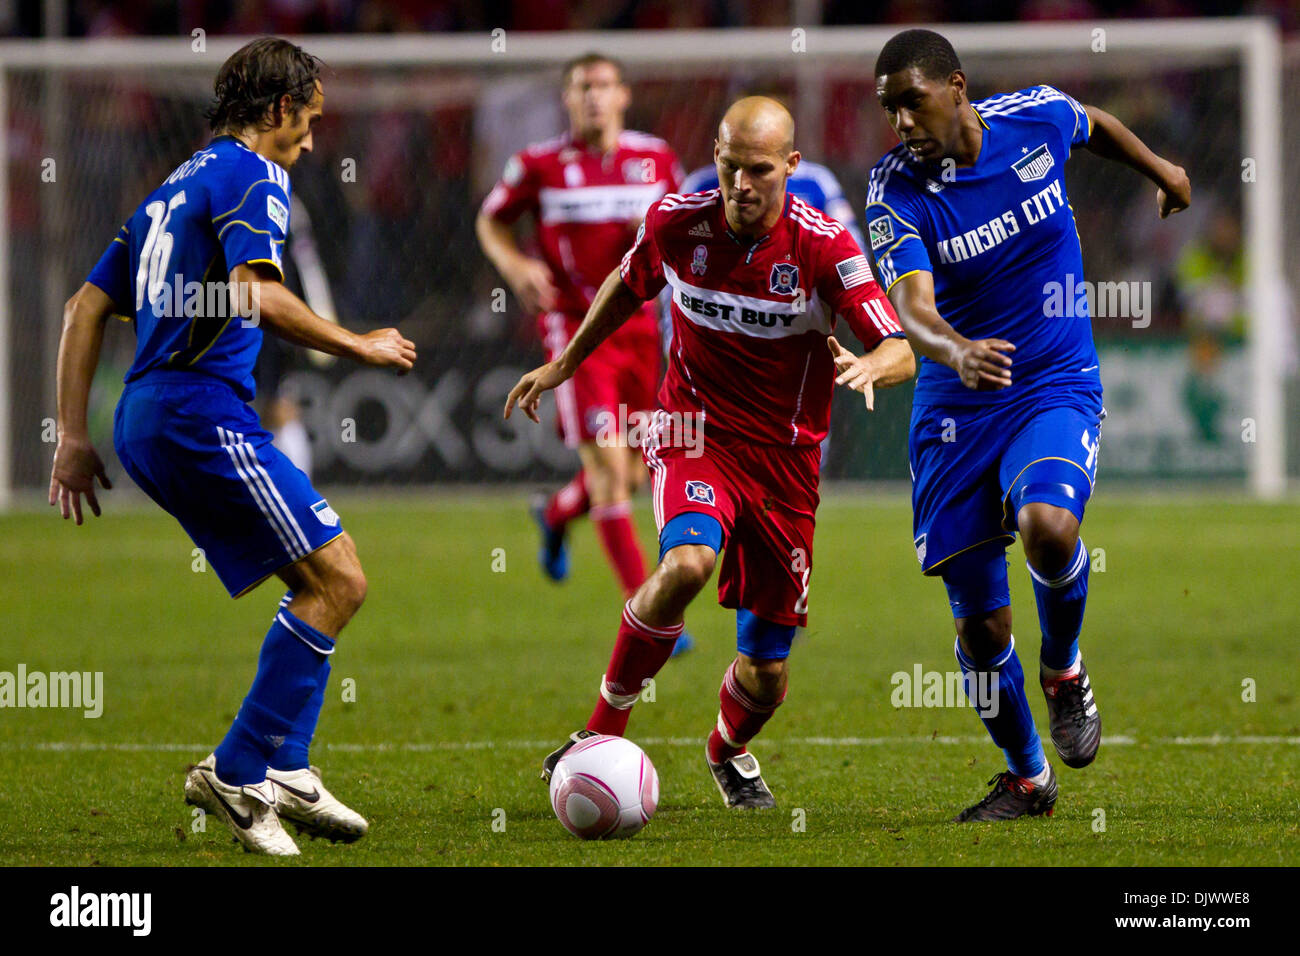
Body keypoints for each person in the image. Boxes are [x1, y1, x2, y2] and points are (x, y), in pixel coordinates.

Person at [48, 37, 417, 854]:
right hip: (197, 409)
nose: (314, 141)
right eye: (310, 121)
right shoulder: (257, 174)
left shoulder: (170, 188)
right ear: (280, 109)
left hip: (144, 414)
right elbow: (257, 290)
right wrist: (357, 343)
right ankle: (239, 766)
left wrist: (71, 437)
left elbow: (81, 309)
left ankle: (286, 765)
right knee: (342, 581)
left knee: (325, 572)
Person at [507, 96, 914, 808]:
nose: (742, 186)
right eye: (730, 168)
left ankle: (726, 748)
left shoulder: (826, 248)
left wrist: (876, 365)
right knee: (689, 562)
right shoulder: (675, 221)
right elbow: (625, 286)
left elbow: (899, 344)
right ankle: (601, 732)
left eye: (759, 170)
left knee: (766, 673)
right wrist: (565, 364)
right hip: (694, 432)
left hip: (786, 464)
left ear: (791, 166)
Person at [866, 29, 1189, 821]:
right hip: (956, 406)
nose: (901, 121)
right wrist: (955, 349)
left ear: (956, 87)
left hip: (1051, 378)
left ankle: (1065, 671)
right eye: (888, 109)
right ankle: (1028, 778)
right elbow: (912, 309)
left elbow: (1095, 123)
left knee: (1048, 523)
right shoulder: (894, 192)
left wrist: (1162, 169)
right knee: (980, 630)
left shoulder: (1034, 118)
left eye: (911, 101)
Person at [478, 54, 693, 655]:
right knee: (608, 474)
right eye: (581, 88)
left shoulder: (656, 160)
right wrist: (516, 263)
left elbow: (681, 228)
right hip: (575, 335)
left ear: (623, 95)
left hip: (642, 328)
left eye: (603, 86)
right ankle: (651, 615)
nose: (593, 98)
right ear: (566, 100)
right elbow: (491, 222)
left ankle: (552, 516)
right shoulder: (538, 165)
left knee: (628, 466)